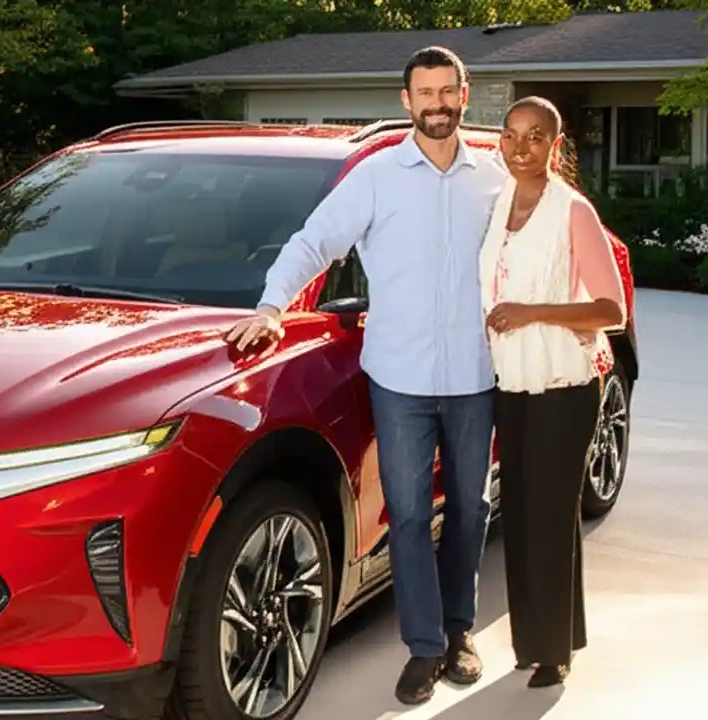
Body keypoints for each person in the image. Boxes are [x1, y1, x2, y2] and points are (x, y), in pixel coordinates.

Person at [225, 46, 506, 705]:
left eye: (447, 92)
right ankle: (425, 646)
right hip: (401, 378)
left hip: (475, 375)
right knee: (407, 516)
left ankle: (460, 632)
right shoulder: (377, 178)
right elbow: (312, 242)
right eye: (424, 93)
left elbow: (542, 243)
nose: (436, 104)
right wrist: (271, 306)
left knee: (470, 507)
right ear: (406, 102)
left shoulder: (493, 178)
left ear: (464, 96)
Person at [481, 96, 625, 688]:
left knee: (548, 512)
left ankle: (552, 652)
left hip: (563, 385)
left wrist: (531, 312)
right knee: (523, 514)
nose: (521, 147)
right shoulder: (498, 207)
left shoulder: (573, 211)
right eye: (512, 135)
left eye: (536, 136)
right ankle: (544, 638)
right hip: (510, 383)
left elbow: (610, 308)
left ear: (555, 145)